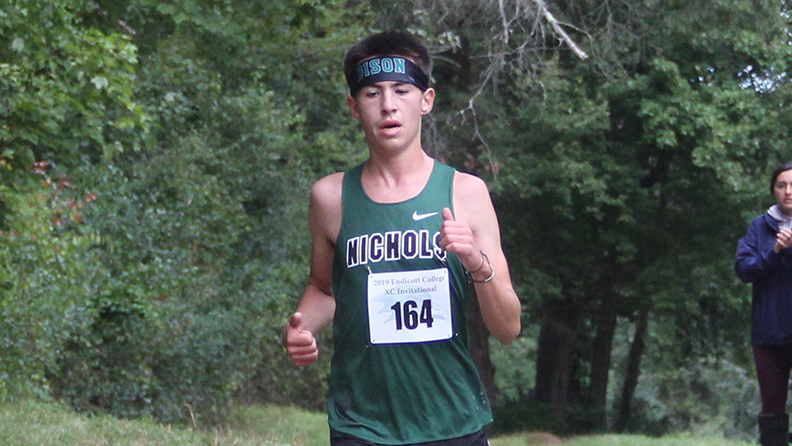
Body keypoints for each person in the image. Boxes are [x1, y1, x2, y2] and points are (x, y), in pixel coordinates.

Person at [283, 30, 522, 446]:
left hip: (452, 422)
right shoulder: (330, 198)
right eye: (372, 93)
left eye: (402, 90)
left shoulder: (465, 193)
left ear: (426, 100)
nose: (388, 105)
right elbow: (324, 289)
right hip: (361, 424)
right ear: (354, 107)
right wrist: (302, 330)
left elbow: (507, 328)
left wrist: (475, 262)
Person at [735, 162, 792, 446]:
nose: (788, 192)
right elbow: (744, 270)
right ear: (773, 191)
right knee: (771, 408)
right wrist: (775, 251)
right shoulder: (760, 227)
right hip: (769, 331)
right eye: (781, 186)